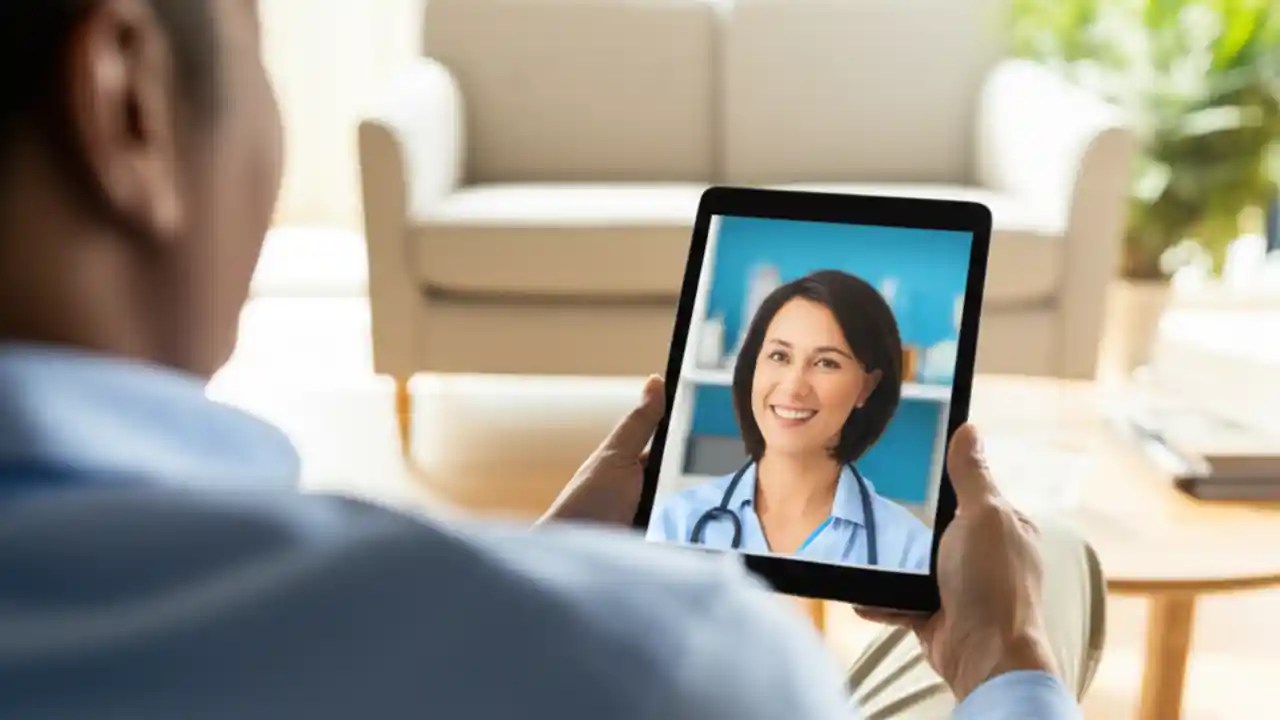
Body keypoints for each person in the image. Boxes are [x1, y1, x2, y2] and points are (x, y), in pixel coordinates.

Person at [0, 1, 1083, 718]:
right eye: (258, 45)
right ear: (127, 97)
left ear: (873, 389)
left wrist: (538, 576)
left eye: (828, 363)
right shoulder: (677, 658)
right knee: (1059, 581)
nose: (792, 385)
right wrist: (1006, 659)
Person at [649, 271, 933, 570]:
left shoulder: (911, 551)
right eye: (779, 356)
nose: (793, 387)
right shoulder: (676, 523)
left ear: (867, 387)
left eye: (826, 363)